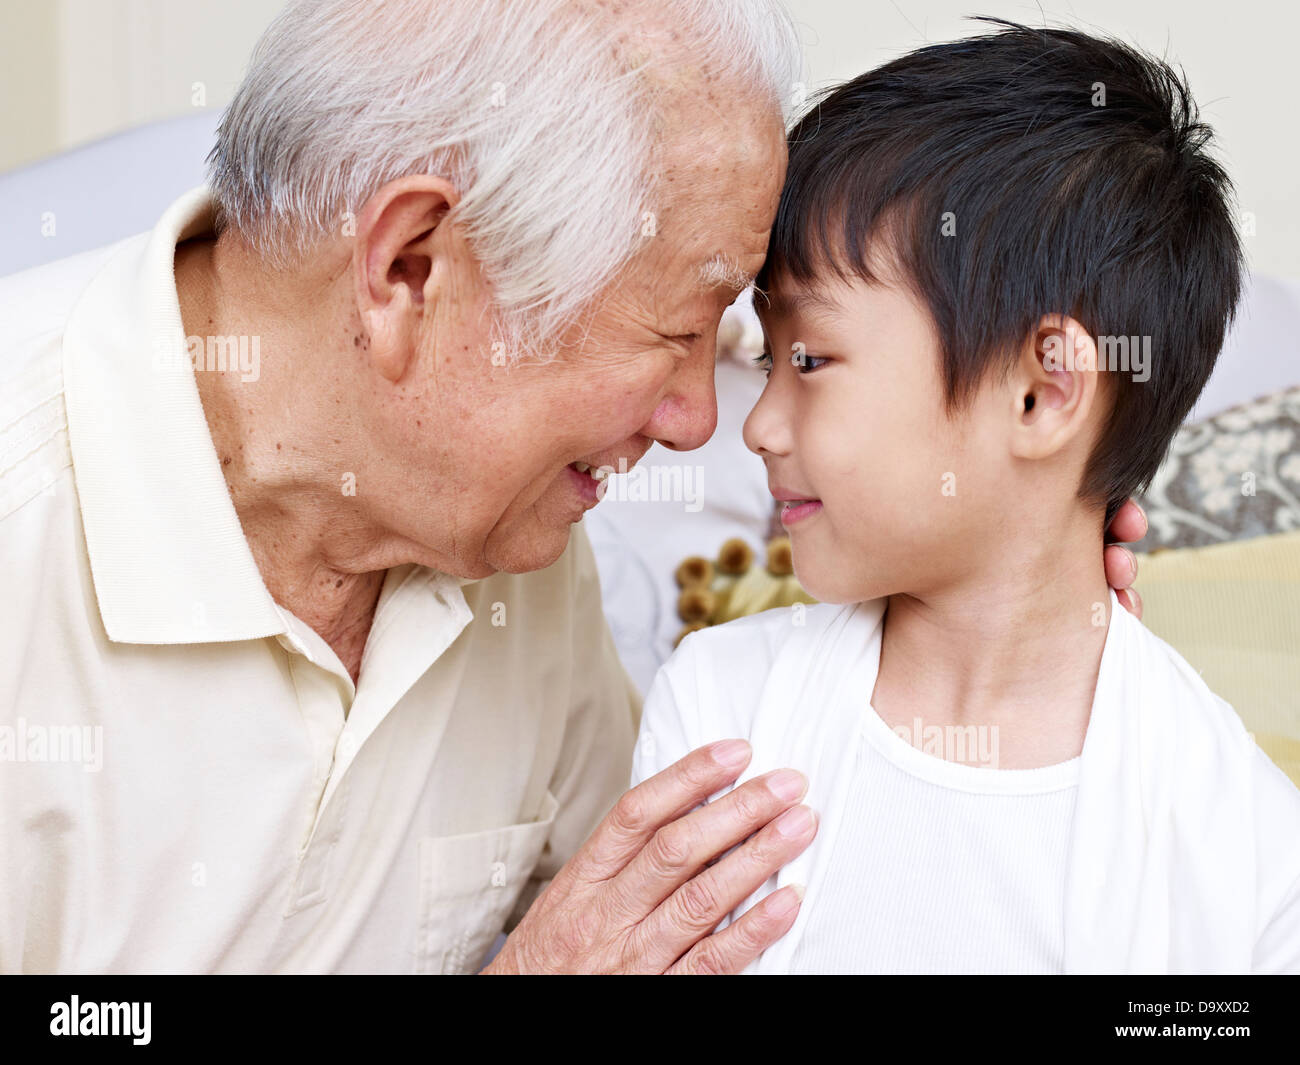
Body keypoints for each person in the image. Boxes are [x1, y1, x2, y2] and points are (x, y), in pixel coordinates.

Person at [0, 1, 1146, 974]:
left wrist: (997, 644)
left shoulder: (505, 544)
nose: (701, 421)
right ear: (409, 266)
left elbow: (684, 919)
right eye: (676, 327)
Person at [632, 20, 1300, 974]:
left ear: (1042, 392)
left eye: (811, 360)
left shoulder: (1246, 855)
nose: (759, 425)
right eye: (768, 359)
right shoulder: (721, 717)